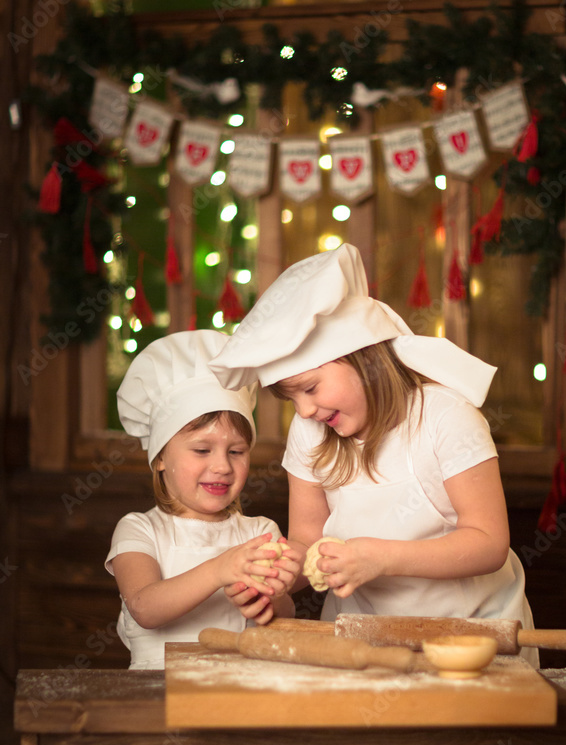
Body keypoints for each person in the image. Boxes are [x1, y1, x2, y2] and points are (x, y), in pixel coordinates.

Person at [209, 244, 538, 666]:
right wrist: (278, 579)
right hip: (363, 637)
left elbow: (489, 544)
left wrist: (381, 559)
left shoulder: (445, 417)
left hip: (472, 633)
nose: (305, 410)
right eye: (292, 399)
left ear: (366, 360)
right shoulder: (310, 432)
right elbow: (309, 540)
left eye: (310, 388)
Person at [106, 329, 299, 669]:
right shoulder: (139, 530)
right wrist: (219, 570)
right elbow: (144, 607)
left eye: (237, 451)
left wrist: (271, 600)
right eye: (201, 449)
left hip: (237, 696)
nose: (222, 466)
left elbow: (285, 619)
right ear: (161, 457)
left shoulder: (260, 533)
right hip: (152, 698)